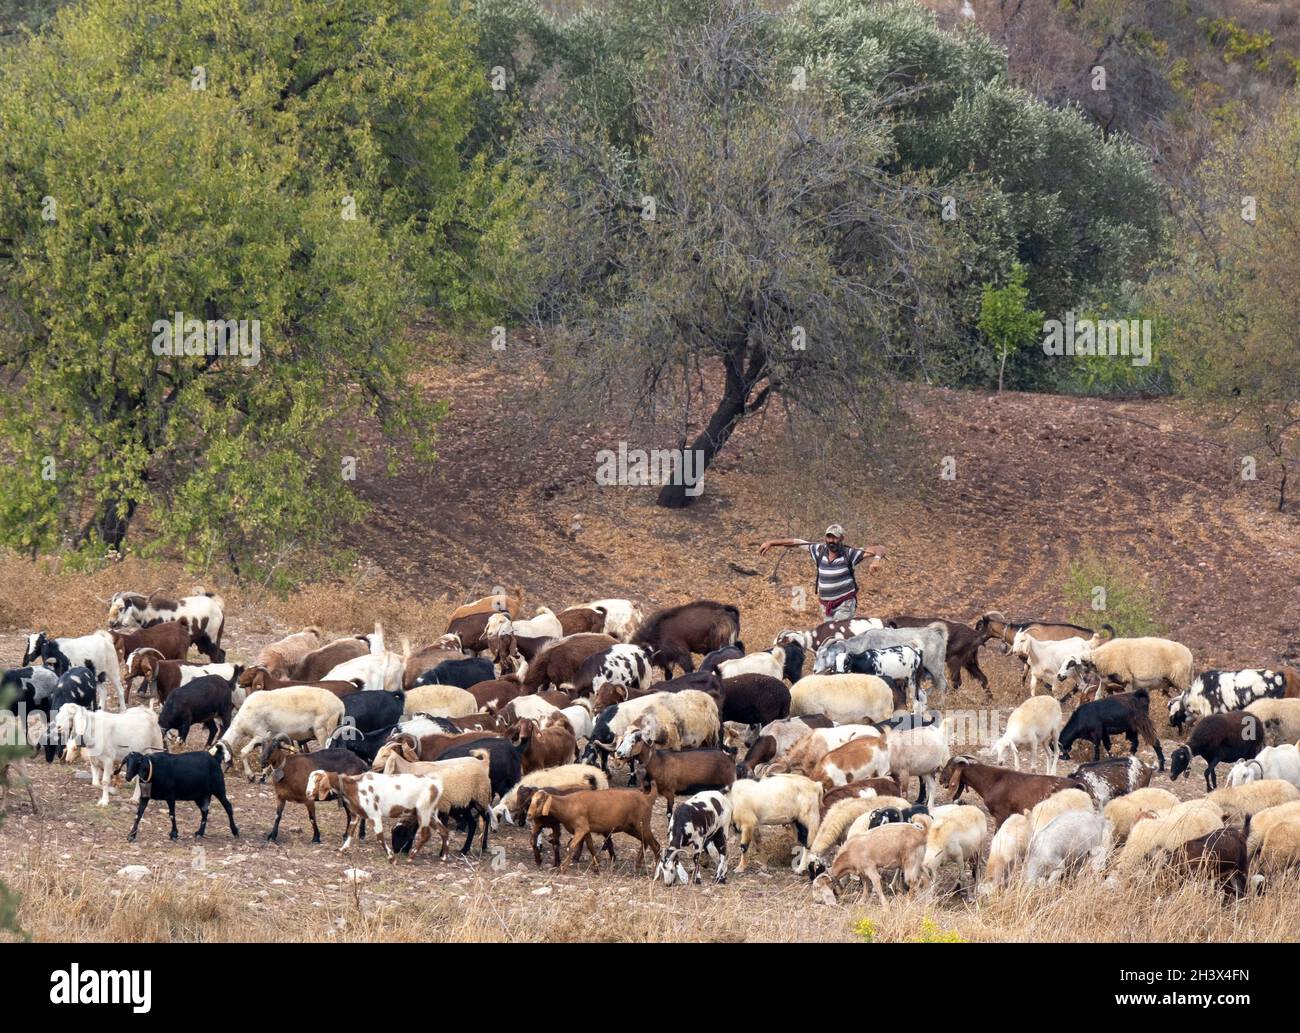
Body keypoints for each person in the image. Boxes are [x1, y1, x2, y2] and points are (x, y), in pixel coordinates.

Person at [758, 524, 884, 620]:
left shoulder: (850, 553)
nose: (831, 541)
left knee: (838, 637)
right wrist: (771, 543)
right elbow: (796, 542)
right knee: (829, 638)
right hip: (826, 606)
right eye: (829, 537)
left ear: (842, 538)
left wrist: (876, 560)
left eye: (835, 537)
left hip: (844, 604)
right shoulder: (818, 550)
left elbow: (879, 548)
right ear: (825, 537)